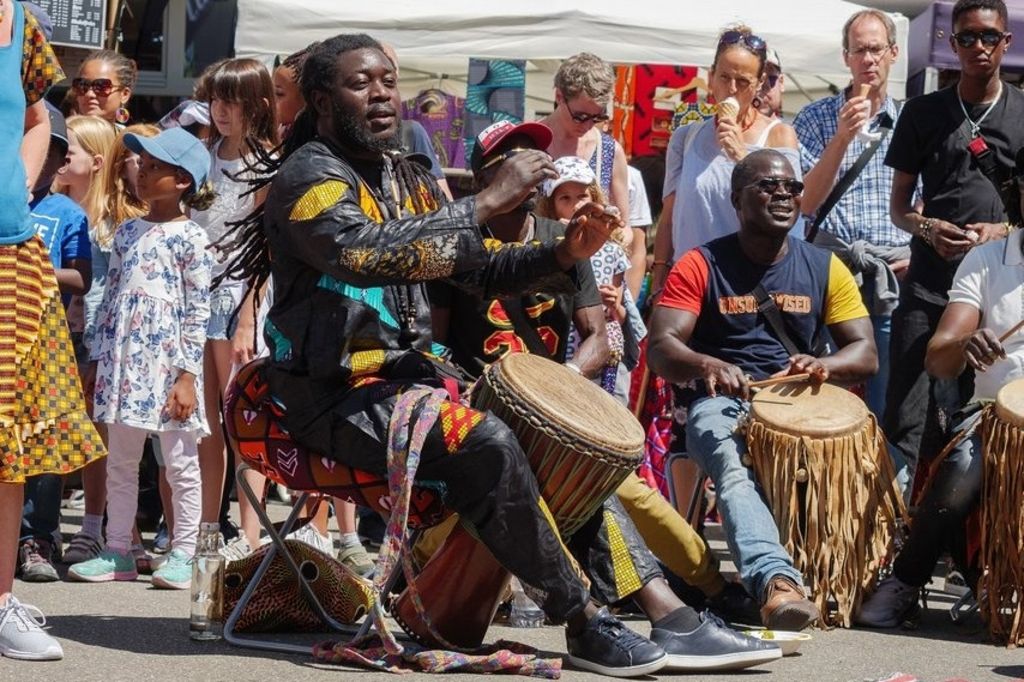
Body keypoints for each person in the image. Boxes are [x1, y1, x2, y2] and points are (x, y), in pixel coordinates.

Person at [217, 33, 670, 677]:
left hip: (408, 384)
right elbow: (362, 253)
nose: (380, 94)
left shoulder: (403, 173)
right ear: (320, 98)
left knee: (551, 440)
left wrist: (563, 255)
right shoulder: (308, 176)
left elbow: (473, 268)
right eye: (359, 82)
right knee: (486, 442)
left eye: (387, 80)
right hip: (329, 396)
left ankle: (661, 607)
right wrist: (485, 202)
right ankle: (584, 619)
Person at [428, 121, 780, 673]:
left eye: (537, 156)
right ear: (485, 176)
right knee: (594, 487)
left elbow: (600, 337)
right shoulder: (459, 246)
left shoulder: (563, 241)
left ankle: (692, 597)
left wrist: (559, 385)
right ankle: (663, 608)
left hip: (556, 407)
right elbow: (436, 340)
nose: (530, 165)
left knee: (617, 485)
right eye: (512, 158)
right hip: (480, 411)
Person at [647, 149, 878, 631]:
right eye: (768, 186)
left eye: (792, 187)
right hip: (720, 402)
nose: (783, 195)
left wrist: (823, 363)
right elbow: (662, 347)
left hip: (797, 402)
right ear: (737, 198)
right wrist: (707, 362)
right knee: (731, 464)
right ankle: (776, 582)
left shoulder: (825, 266)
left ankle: (845, 580)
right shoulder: (700, 264)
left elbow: (865, 355)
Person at [0, 0, 105, 661]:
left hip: (10, 254)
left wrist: (17, 181)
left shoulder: (22, 25)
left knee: (6, 438)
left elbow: (38, 117)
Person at [858, 210, 1024, 626]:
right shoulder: (987, 260)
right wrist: (966, 343)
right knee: (963, 464)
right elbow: (938, 358)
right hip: (997, 417)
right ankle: (907, 579)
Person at [883, 0, 1024, 489]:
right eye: (967, 37)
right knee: (905, 419)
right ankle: (895, 540)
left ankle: (969, 547)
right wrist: (926, 228)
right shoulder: (922, 113)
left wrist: (1000, 231)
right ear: (951, 43)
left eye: (989, 37)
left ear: (1006, 42)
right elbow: (899, 207)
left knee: (984, 419)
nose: (978, 47)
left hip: (995, 295)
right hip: (928, 288)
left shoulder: (1022, 112)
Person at [68, 127, 215, 591]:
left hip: (169, 366)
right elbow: (110, 299)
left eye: (155, 168)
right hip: (122, 364)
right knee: (121, 460)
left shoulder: (192, 237)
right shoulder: (128, 231)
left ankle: (184, 551)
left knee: (179, 461)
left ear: (183, 181)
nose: (143, 174)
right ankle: (118, 549)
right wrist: (95, 361)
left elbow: (198, 312)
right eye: (143, 165)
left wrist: (188, 376)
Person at [794, 9, 910, 421]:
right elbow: (805, 203)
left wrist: (915, 252)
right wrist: (841, 138)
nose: (869, 60)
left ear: (893, 53)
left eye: (876, 49)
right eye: (859, 50)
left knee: (886, 402)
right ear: (846, 57)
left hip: (890, 272)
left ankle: (878, 481)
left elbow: (927, 198)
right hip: (830, 271)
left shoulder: (911, 121)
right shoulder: (814, 118)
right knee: (822, 394)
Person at [191, 58, 279, 554]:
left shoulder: (268, 162)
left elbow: (265, 249)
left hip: (240, 293)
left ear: (257, 105)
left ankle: (249, 533)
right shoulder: (202, 155)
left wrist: (248, 315)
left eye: (231, 101)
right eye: (215, 100)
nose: (220, 111)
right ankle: (207, 528)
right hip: (195, 294)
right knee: (205, 422)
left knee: (241, 419)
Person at [65, 123, 161, 567]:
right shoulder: (74, 212)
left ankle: (121, 532)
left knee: (118, 440)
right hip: (85, 336)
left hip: (115, 340)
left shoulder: (119, 222)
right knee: (94, 435)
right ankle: (101, 529)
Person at [651, 27, 803, 294]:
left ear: (758, 85)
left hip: (747, 285)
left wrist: (741, 157)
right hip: (688, 282)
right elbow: (670, 216)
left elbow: (790, 215)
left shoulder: (779, 135)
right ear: (711, 78)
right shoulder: (685, 137)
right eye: (724, 77)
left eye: (743, 81)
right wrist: (660, 275)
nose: (731, 89)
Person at [17, 106, 93, 584]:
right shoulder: (8, 200)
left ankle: (38, 537)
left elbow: (81, 277)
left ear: (61, 161)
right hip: (8, 337)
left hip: (49, 340)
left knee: (46, 441)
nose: (44, 161)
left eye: (54, 154)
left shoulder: (67, 212)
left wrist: (30, 265)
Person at [535, 155, 644, 401]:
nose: (575, 205)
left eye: (582, 196)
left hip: (602, 357)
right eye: (565, 198)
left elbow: (619, 314)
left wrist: (614, 303)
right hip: (560, 352)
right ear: (551, 205)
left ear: (594, 198)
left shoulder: (611, 250)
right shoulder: (544, 248)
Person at [542, 53, 646, 300]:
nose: (588, 125)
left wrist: (602, 233)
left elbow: (626, 230)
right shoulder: (532, 144)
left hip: (592, 287)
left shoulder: (610, 151)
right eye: (579, 116)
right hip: (542, 284)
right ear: (559, 97)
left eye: (597, 117)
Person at [70, 49, 137, 126]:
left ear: (124, 94)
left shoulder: (126, 137)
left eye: (101, 86)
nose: (89, 94)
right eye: (83, 85)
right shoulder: (62, 135)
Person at [753, 49, 785, 120]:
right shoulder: (726, 127)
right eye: (756, 76)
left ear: (781, 82)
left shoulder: (788, 130)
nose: (763, 85)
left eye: (770, 76)